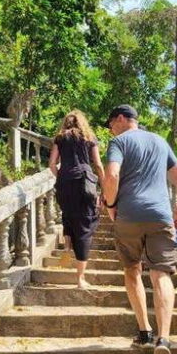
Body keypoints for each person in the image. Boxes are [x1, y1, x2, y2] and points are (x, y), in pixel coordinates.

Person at [101, 104, 177, 354]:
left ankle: (144, 332)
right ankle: (163, 340)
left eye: (111, 124)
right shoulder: (160, 142)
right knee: (161, 275)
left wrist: (110, 204)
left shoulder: (118, 142)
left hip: (129, 215)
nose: (111, 129)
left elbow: (112, 175)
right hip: (161, 215)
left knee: (132, 270)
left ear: (120, 119)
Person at [48, 110, 105, 289]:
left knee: (68, 215)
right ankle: (80, 279)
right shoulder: (89, 137)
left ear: (66, 123)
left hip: (65, 183)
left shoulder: (60, 138)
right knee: (85, 227)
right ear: (82, 122)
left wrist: (62, 176)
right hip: (84, 183)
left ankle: (66, 248)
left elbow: (51, 164)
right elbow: (97, 164)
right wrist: (103, 187)